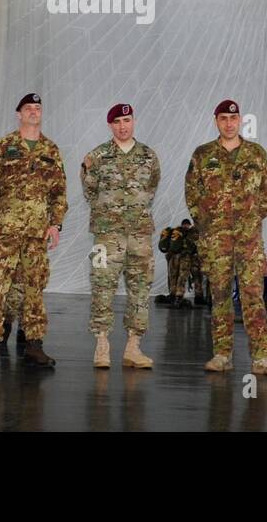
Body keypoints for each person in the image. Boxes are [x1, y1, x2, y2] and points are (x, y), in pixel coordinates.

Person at [186, 99, 267, 376]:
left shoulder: (256, 154)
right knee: (219, 295)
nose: (229, 124)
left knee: (253, 296)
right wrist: (207, 225)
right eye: (223, 119)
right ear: (216, 121)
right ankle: (222, 354)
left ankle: (262, 357)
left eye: (233, 118)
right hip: (216, 240)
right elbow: (192, 194)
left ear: (240, 120)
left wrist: (252, 218)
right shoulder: (203, 155)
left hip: (249, 240)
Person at [0, 93, 67, 368]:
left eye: (37, 108)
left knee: (34, 288)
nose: (33, 112)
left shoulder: (50, 150)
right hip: (7, 229)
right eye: (28, 108)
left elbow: (59, 192)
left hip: (37, 233)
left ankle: (34, 345)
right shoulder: (4, 146)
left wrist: (56, 224)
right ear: (19, 114)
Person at [84, 102, 160, 369]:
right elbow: (90, 192)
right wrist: (111, 213)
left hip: (140, 235)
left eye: (126, 121)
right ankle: (102, 345)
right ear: (110, 125)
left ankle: (133, 347)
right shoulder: (96, 156)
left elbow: (151, 189)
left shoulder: (149, 157)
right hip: (107, 237)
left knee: (140, 290)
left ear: (133, 122)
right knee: (102, 287)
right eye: (117, 122)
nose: (122, 126)